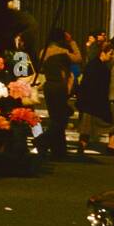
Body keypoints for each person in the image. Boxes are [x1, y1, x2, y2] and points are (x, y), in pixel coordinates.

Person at [40, 29, 81, 160]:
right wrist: (72, 42)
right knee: (60, 119)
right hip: (60, 86)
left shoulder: (43, 51)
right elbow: (78, 58)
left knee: (55, 117)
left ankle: (58, 150)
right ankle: (43, 141)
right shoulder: (63, 52)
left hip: (49, 86)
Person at [75, 42, 114, 156]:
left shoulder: (92, 65)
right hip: (96, 102)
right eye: (110, 54)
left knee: (86, 127)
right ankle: (111, 145)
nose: (111, 57)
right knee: (111, 123)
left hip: (87, 102)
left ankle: (82, 145)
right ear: (102, 53)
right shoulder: (102, 68)